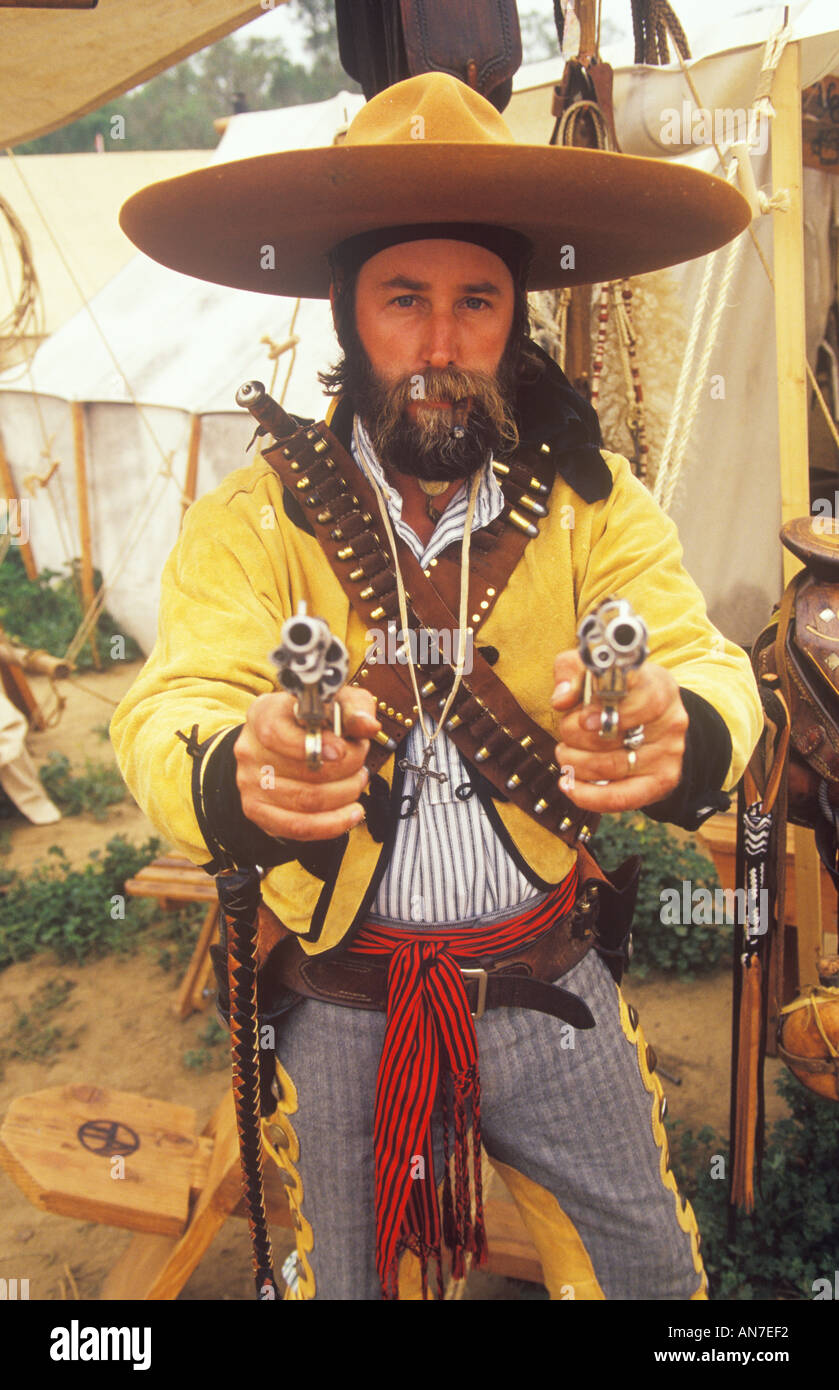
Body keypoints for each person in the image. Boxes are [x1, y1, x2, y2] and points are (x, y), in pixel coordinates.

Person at [111, 72, 763, 1301]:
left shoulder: (589, 502)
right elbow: (176, 698)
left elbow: (698, 652)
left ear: (512, 318)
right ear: (348, 317)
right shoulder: (254, 519)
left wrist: (683, 722)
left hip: (547, 985)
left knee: (653, 1285)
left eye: (475, 301)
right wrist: (231, 762)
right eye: (403, 299)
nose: (441, 343)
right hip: (343, 1001)